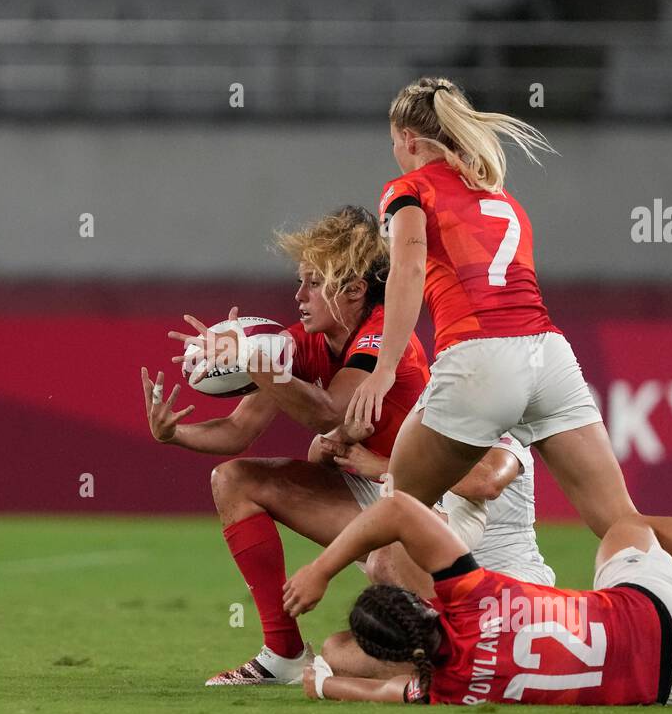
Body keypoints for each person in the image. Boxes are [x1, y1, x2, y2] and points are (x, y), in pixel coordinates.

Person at [342, 76, 672, 695]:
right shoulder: (499, 195)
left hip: (479, 359)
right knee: (625, 523)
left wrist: (382, 370)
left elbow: (406, 268)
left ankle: (464, 653)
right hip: (548, 353)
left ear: (406, 140)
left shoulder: (407, 188)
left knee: (398, 512)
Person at [141, 206, 529, 684]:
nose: (298, 295)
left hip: (432, 498)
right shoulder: (302, 342)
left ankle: (456, 655)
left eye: (311, 282)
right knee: (235, 480)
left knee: (384, 570)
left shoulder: (387, 336)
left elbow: (330, 411)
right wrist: (173, 433)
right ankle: (282, 653)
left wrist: (256, 362)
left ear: (354, 289)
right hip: (384, 492)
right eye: (300, 281)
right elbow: (238, 433)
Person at [284, 490, 672, 707]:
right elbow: (397, 509)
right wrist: (322, 569)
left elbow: (390, 691)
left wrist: (327, 683)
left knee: (636, 560)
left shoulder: (451, 691)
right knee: (627, 528)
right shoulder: (470, 591)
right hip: (657, 618)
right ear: (422, 605)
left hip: (664, 691)